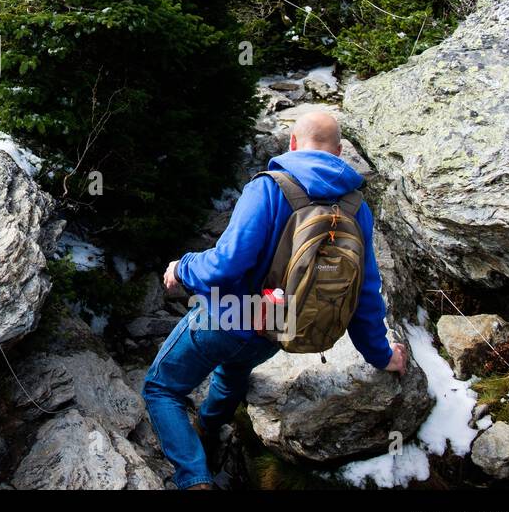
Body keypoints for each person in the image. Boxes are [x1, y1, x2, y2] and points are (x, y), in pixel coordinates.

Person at [139, 109, 408, 489]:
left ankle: (194, 477)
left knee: (161, 389)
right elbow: (364, 293)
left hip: (226, 317)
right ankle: (210, 429)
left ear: (293, 143)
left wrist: (182, 268)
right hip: (280, 328)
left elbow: (225, 264)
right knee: (231, 373)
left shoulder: (269, 186)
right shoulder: (356, 207)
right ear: (340, 150)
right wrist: (382, 355)